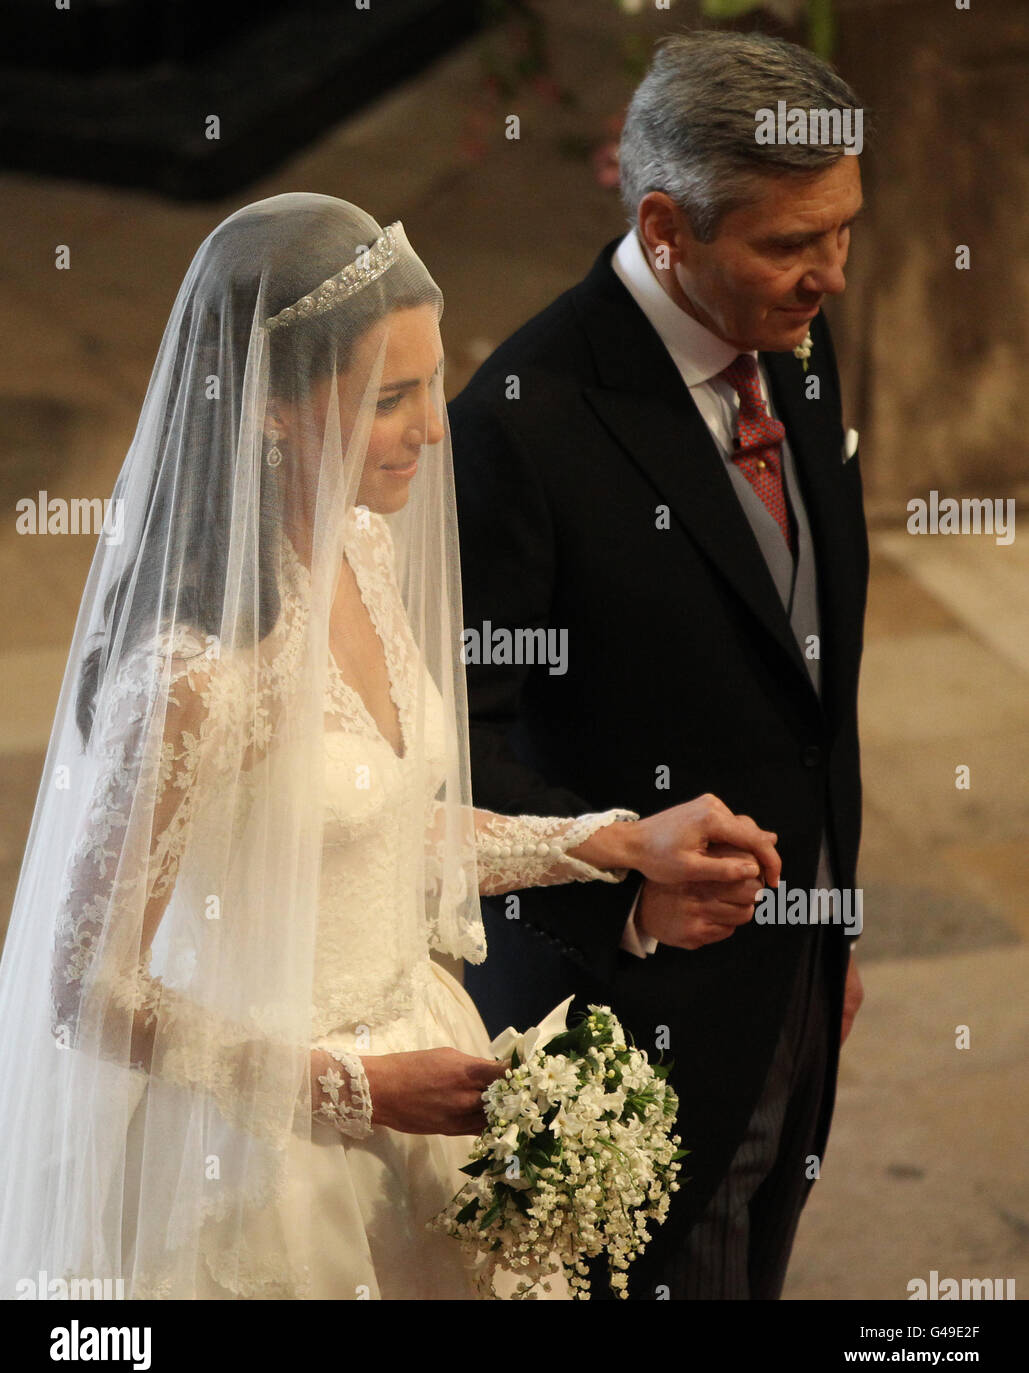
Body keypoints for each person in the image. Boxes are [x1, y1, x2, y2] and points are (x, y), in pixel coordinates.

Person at [0, 192, 780, 1300]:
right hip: (262, 1152)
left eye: (432, 383)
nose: (431, 425)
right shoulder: (187, 678)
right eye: (388, 396)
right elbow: (87, 985)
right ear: (271, 407)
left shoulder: (362, 553)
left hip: (425, 1056)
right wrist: (356, 1091)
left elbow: (387, 827)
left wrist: (613, 843)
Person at [450, 31, 869, 1299]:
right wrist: (622, 887)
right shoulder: (519, 424)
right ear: (666, 226)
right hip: (627, 1013)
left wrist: (828, 924)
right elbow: (457, 753)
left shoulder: (790, 342)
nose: (829, 276)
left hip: (794, 965)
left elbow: (806, 684)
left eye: (843, 231)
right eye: (793, 244)